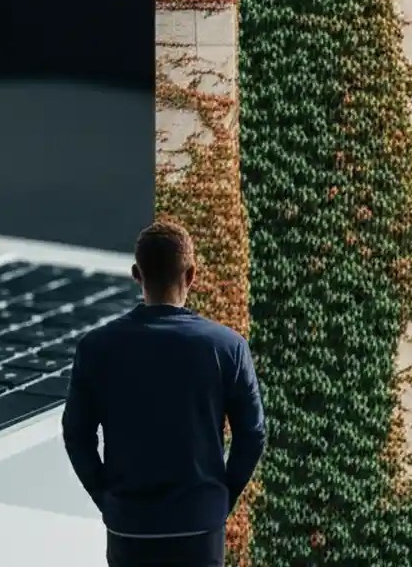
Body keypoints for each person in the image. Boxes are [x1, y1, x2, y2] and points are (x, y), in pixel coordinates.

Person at [62, 221, 266, 567]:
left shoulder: (97, 347)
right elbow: (252, 434)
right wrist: (221, 497)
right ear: (191, 275)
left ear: (136, 274)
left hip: (130, 524)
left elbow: (76, 434)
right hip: (199, 523)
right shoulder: (228, 347)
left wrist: (106, 497)